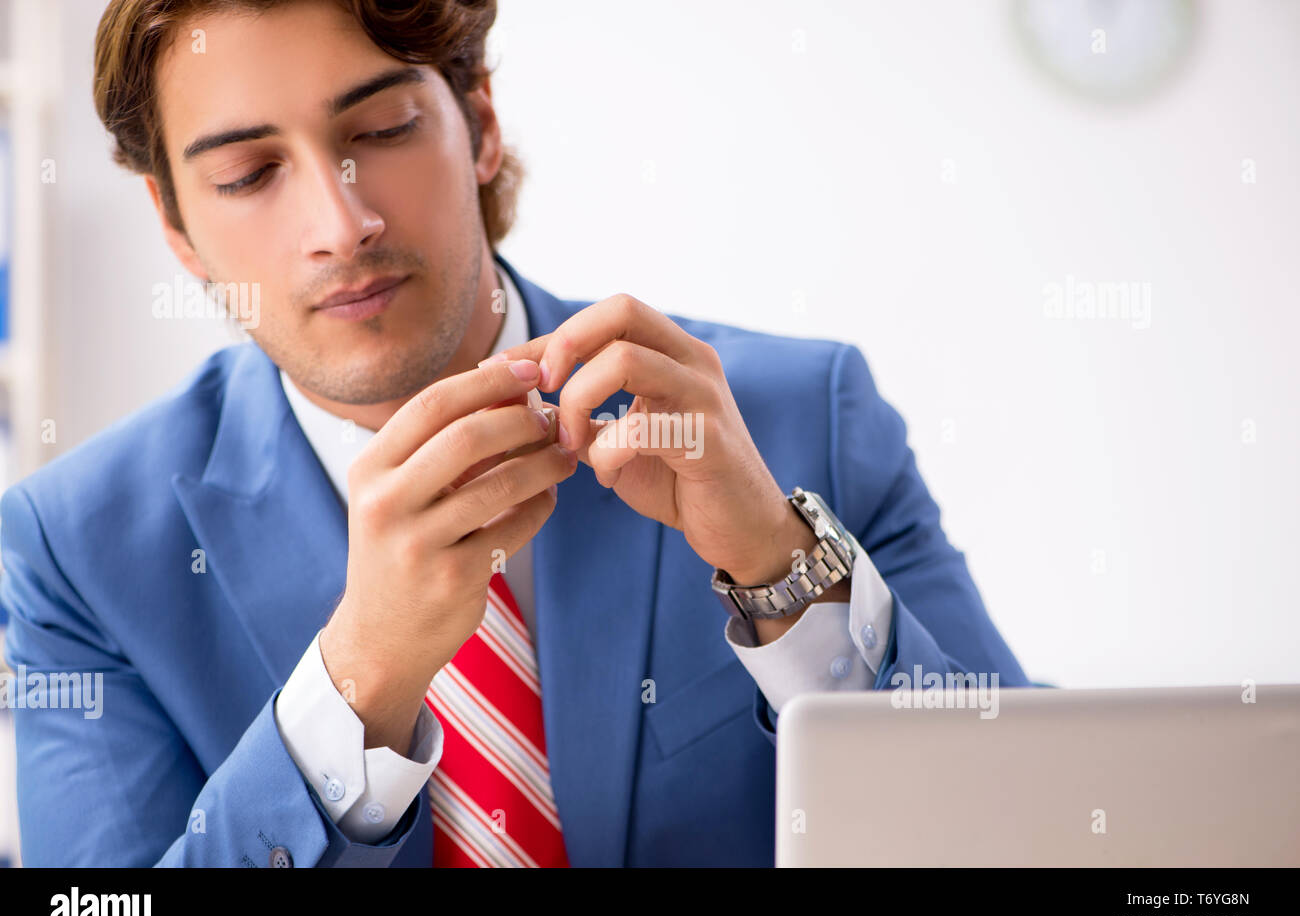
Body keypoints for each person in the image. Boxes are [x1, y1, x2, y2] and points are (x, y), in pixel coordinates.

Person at [0, 0, 1029, 867]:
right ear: (176, 225)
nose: (338, 222)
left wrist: (784, 575)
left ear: (479, 123)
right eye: (247, 175)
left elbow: (1021, 835)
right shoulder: (72, 550)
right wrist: (355, 682)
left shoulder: (810, 416)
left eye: (381, 130)